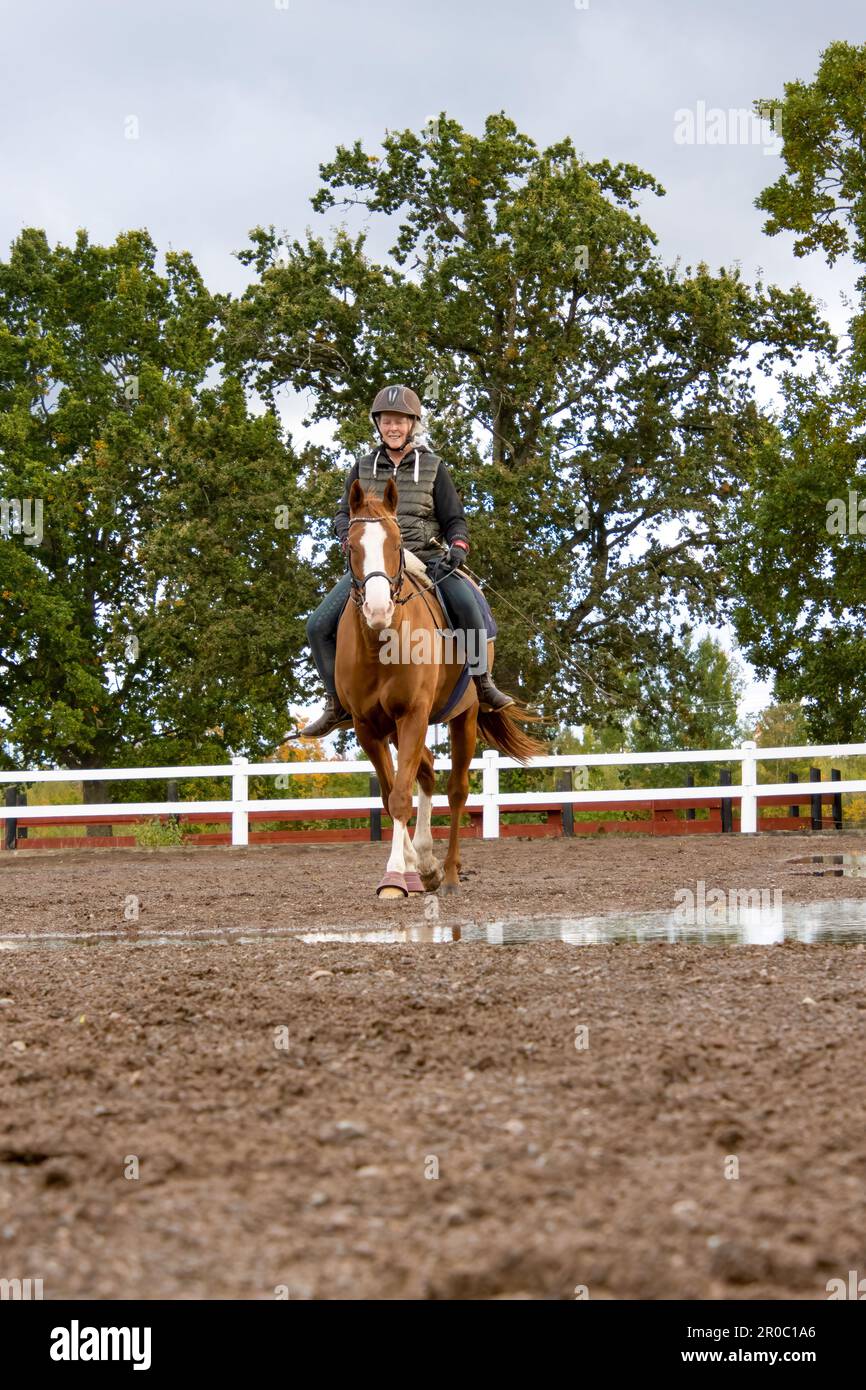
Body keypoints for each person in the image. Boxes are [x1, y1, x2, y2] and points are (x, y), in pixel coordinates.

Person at [298, 383, 514, 738]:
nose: (393, 428)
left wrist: (457, 547)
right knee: (317, 625)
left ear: (412, 424)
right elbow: (343, 514)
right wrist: (346, 539)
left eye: (399, 421)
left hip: (426, 560)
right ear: (378, 425)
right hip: (375, 565)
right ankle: (336, 703)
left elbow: (455, 519)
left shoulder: (433, 467)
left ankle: (484, 683)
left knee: (467, 605)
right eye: (386, 422)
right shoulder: (362, 467)